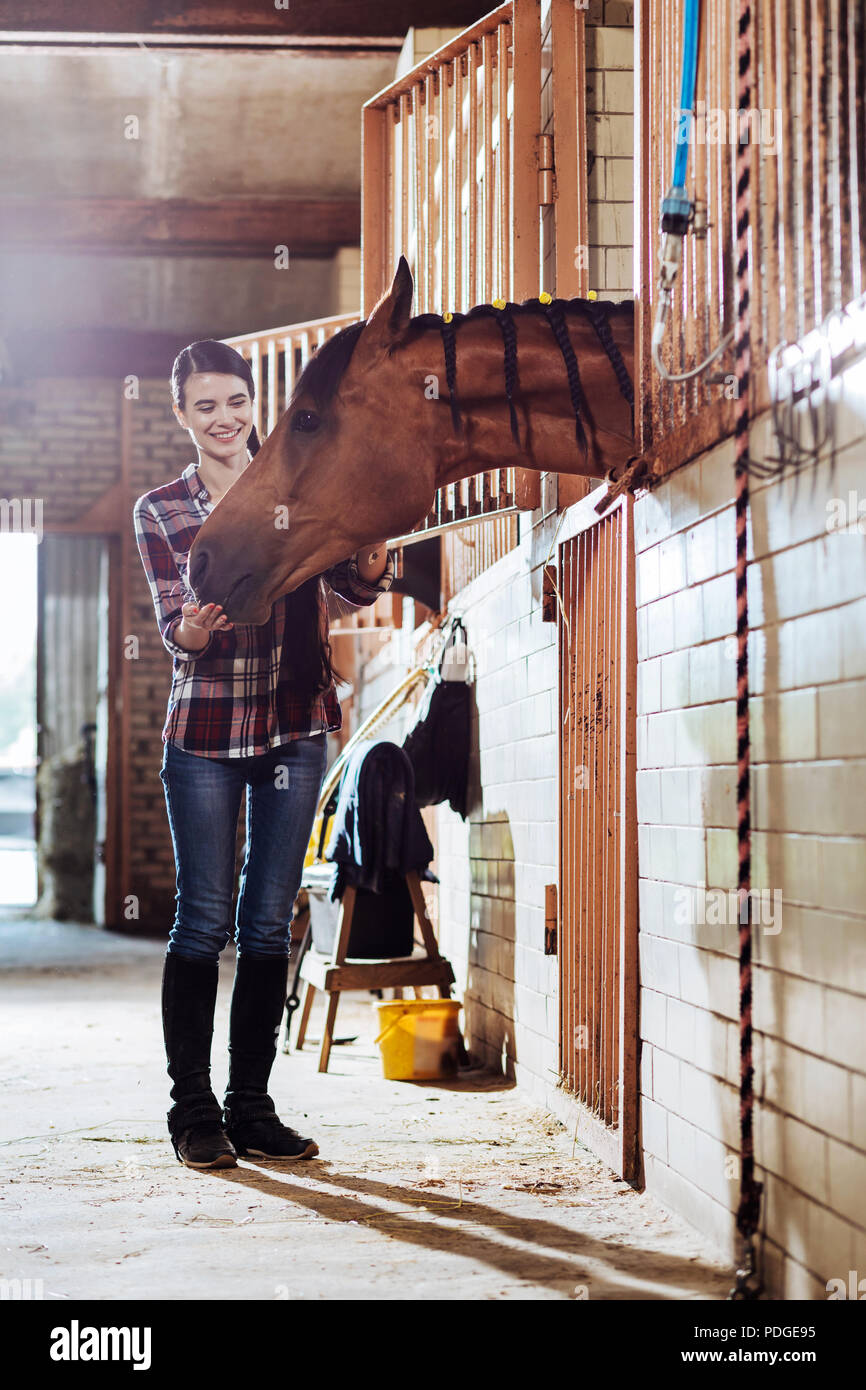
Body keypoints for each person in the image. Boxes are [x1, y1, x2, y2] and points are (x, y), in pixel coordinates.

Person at [133, 339, 394, 1170]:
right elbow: (175, 619)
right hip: (205, 733)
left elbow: (346, 584)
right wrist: (194, 633)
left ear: (255, 402)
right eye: (205, 406)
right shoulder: (162, 509)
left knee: (267, 925)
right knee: (203, 921)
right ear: (181, 414)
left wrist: (375, 557)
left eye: (235, 401)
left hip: (293, 726)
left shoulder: (299, 482)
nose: (224, 419)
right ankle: (193, 1113)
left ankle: (252, 1108)